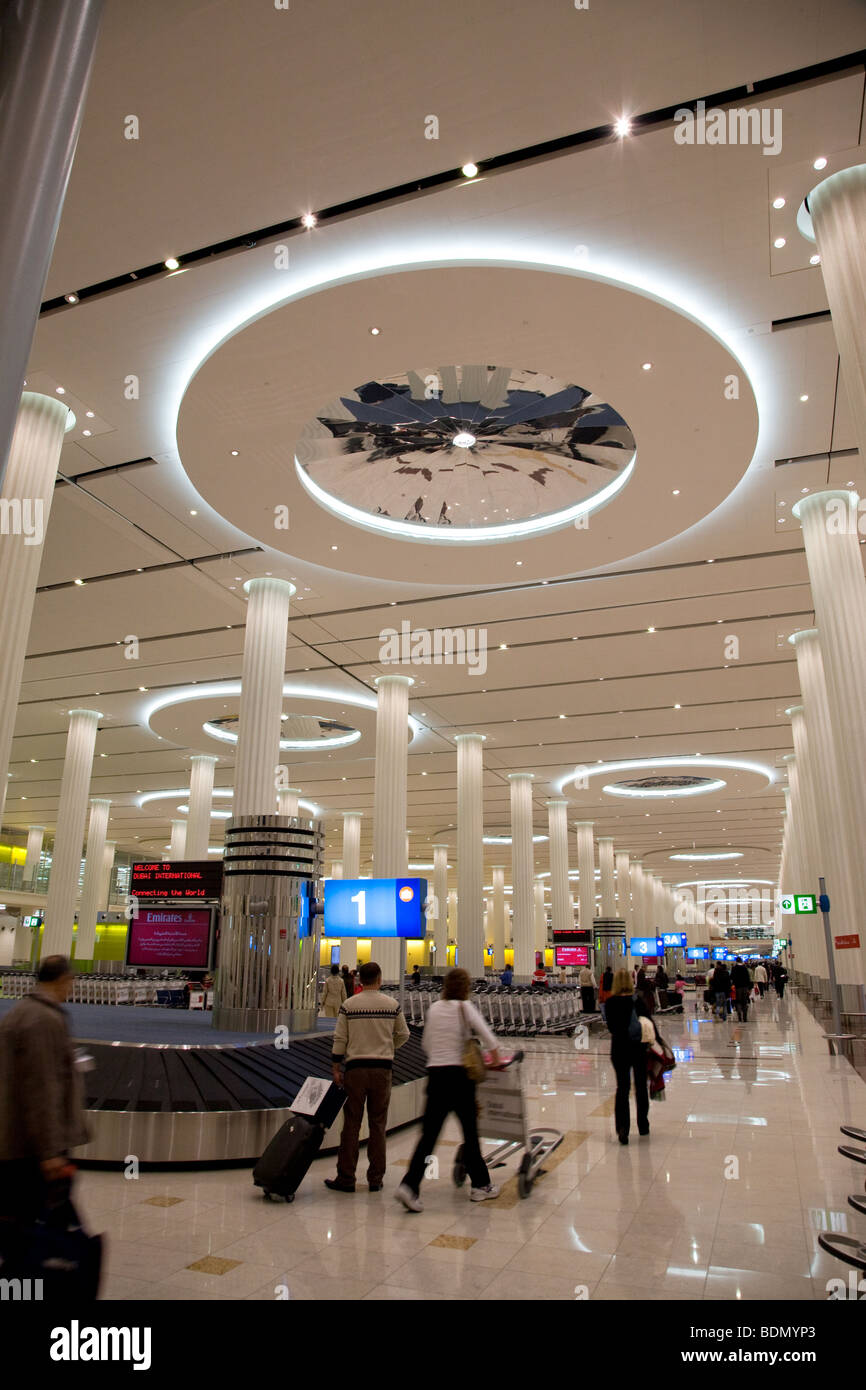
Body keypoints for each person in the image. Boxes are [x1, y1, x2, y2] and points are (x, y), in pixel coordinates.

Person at [396, 968, 501, 1211]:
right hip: (460, 1078)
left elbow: (426, 1044)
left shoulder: (434, 1009)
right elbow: (491, 1041)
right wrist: (494, 1061)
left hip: (436, 1076)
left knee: (429, 1136)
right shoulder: (465, 1008)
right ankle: (480, 1186)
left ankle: (409, 1186)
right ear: (466, 987)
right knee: (470, 1133)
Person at [0, 956, 89, 1228]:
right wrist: (50, 1151)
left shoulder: (20, 1011)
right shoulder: (44, 1019)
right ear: (63, 980)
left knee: (18, 1222)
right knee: (33, 1228)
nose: (71, 988)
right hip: (30, 1147)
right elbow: (43, 1087)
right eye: (71, 981)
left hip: (15, 1140)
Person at [324, 962, 410, 1194]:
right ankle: (375, 1178)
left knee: (351, 1124)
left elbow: (339, 1038)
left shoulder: (349, 1005)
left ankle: (346, 1177)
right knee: (378, 1124)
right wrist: (388, 1048)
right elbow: (404, 1034)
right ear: (380, 979)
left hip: (355, 1070)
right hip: (382, 1070)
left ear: (360, 980)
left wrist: (335, 1067)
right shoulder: (392, 1005)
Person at [604, 969, 649, 1145]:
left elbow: (611, 1027)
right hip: (638, 1048)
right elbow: (648, 1023)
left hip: (619, 1049)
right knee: (640, 1087)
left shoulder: (610, 1002)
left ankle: (623, 1128)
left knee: (622, 1088)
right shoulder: (637, 1001)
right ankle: (643, 1124)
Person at [730, 956, 751, 1022]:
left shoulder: (734, 968)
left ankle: (739, 1016)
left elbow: (731, 977)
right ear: (741, 961)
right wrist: (749, 988)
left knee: (738, 1001)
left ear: (736, 961)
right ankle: (745, 1017)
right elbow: (748, 978)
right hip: (744, 987)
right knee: (744, 1002)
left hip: (737, 987)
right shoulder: (745, 968)